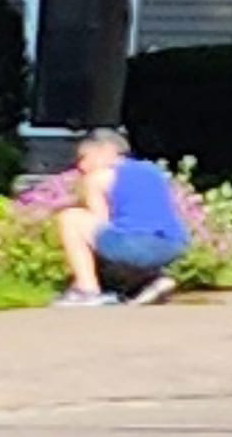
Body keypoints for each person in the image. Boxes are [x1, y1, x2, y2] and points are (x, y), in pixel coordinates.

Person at [53, 128, 189, 307]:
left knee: (70, 219)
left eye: (84, 157)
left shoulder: (98, 177)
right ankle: (150, 281)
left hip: (136, 245)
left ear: (106, 151)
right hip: (173, 244)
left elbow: (100, 222)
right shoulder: (151, 171)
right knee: (128, 236)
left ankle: (87, 290)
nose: (80, 166)